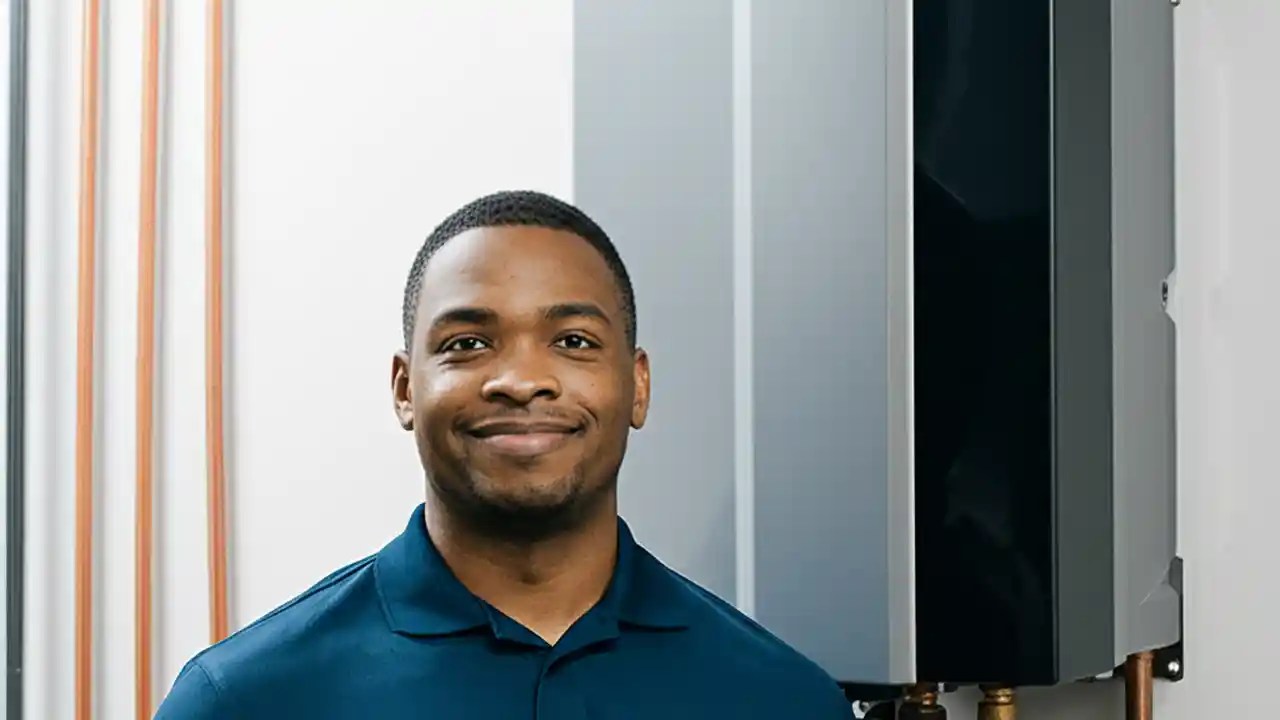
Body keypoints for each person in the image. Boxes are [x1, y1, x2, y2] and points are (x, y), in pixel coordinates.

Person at [154, 190, 853, 718]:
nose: (521, 380)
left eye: (574, 341)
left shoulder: (783, 699)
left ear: (637, 385)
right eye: (467, 344)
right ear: (405, 389)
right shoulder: (243, 700)